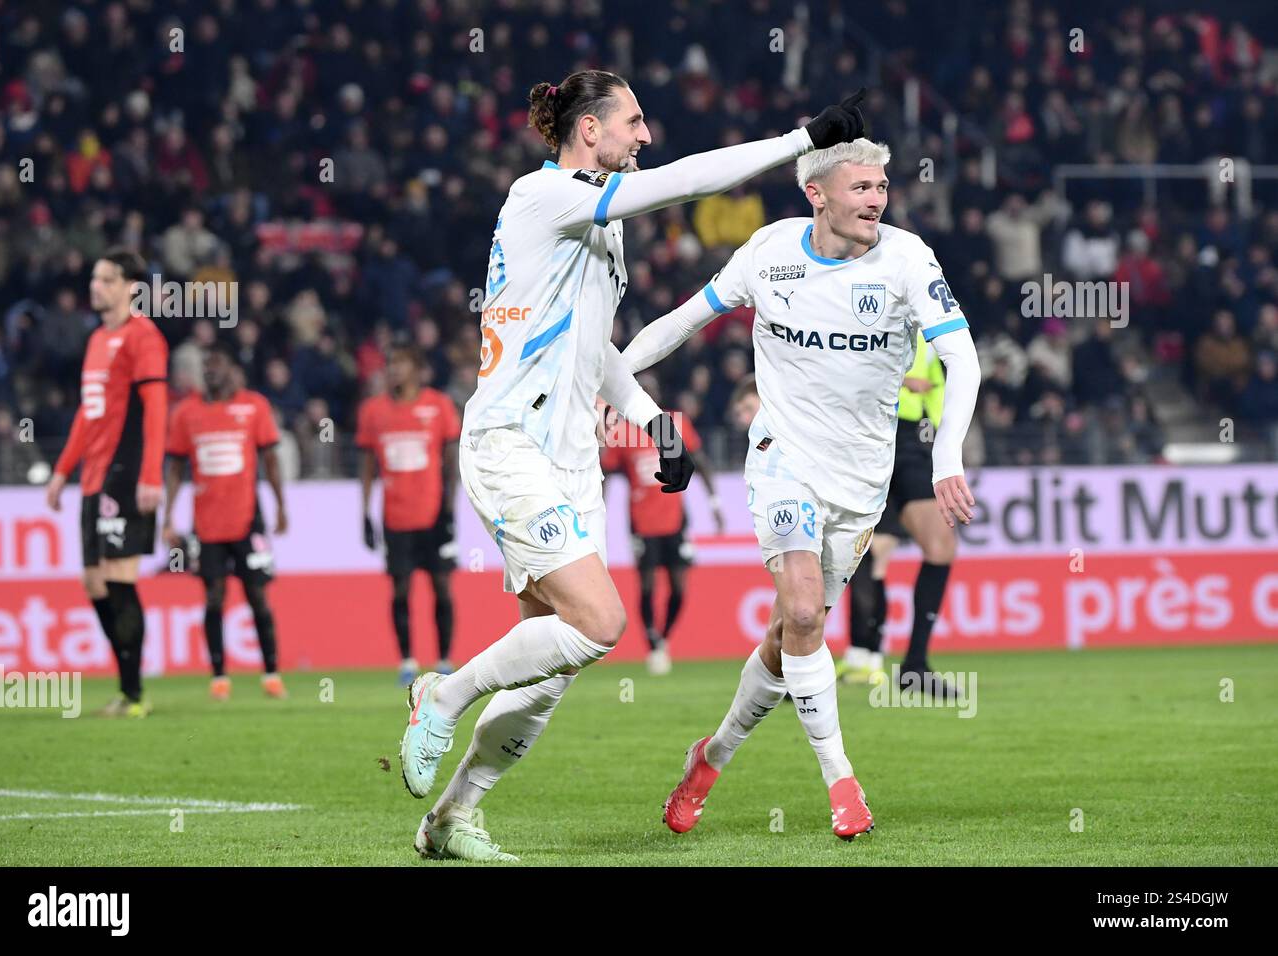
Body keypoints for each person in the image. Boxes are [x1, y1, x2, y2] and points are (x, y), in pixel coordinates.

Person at [398, 68, 868, 862]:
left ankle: (453, 820)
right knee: (603, 623)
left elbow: (597, 350)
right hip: (511, 440)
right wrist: (800, 140)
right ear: (590, 131)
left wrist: (652, 421)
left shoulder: (600, 230)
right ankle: (439, 693)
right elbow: (684, 185)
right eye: (634, 122)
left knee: (553, 661)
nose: (645, 136)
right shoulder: (540, 196)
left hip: (573, 457)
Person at [623, 138, 981, 839]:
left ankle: (712, 754)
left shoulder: (908, 259)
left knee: (794, 629)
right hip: (781, 457)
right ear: (817, 194)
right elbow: (683, 321)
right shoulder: (768, 252)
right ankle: (842, 783)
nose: (877, 199)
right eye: (861, 188)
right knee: (806, 617)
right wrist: (605, 377)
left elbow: (960, 358)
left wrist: (947, 453)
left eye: (882, 186)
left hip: (862, 478)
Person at [46, 248, 169, 718]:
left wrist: (151, 474)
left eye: (106, 279)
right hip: (94, 476)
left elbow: (157, 409)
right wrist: (62, 470)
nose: (95, 286)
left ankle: (136, 693)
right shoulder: (97, 339)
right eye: (94, 278)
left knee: (119, 578)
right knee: (94, 582)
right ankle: (127, 685)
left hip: (127, 469)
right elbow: (87, 412)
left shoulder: (144, 338)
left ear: (131, 287)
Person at [838, 330, 961, 697]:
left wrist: (942, 438)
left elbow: (943, 383)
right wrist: (903, 380)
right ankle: (857, 654)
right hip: (869, 437)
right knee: (867, 555)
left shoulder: (933, 329)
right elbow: (844, 367)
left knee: (940, 547)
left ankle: (914, 665)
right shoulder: (869, 311)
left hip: (914, 443)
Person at [163, 342, 288, 699]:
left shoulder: (254, 406)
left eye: (217, 364)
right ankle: (219, 677)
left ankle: (271, 673)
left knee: (257, 595)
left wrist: (280, 505)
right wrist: (168, 516)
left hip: (248, 519)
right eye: (206, 366)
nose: (210, 371)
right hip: (207, 524)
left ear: (232, 368)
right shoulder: (186, 413)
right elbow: (175, 468)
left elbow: (271, 461)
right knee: (214, 597)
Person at [600, 373, 724, 675]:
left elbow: (700, 461)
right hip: (642, 524)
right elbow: (606, 473)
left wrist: (714, 504)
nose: (647, 395)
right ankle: (653, 643)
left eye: (651, 390)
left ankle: (664, 636)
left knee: (679, 589)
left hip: (676, 522)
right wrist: (596, 511)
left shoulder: (670, 426)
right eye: (642, 390)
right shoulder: (624, 432)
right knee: (646, 587)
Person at [357, 346, 461, 686]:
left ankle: (445, 660)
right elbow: (369, 465)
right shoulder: (374, 412)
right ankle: (406, 661)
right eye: (390, 365)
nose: (393, 370)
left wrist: (451, 506)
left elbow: (451, 461)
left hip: (433, 515)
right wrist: (365, 512)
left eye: (400, 363)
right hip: (395, 517)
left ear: (417, 368)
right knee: (401, 590)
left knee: (441, 586)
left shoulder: (438, 407)